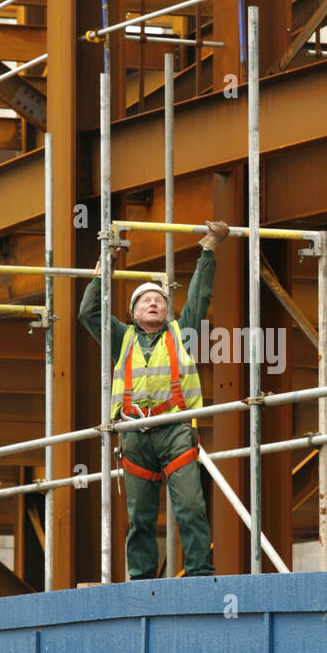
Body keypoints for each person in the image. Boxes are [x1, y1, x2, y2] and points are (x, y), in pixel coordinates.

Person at [78, 221, 231, 579]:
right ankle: (142, 581)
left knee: (191, 506)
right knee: (140, 517)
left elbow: (199, 297)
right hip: (133, 434)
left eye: (159, 300)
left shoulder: (183, 333)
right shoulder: (121, 338)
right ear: (132, 313)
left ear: (167, 310)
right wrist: (104, 271)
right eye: (145, 300)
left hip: (175, 428)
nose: (153, 303)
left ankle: (199, 575)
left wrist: (208, 250)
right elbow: (89, 313)